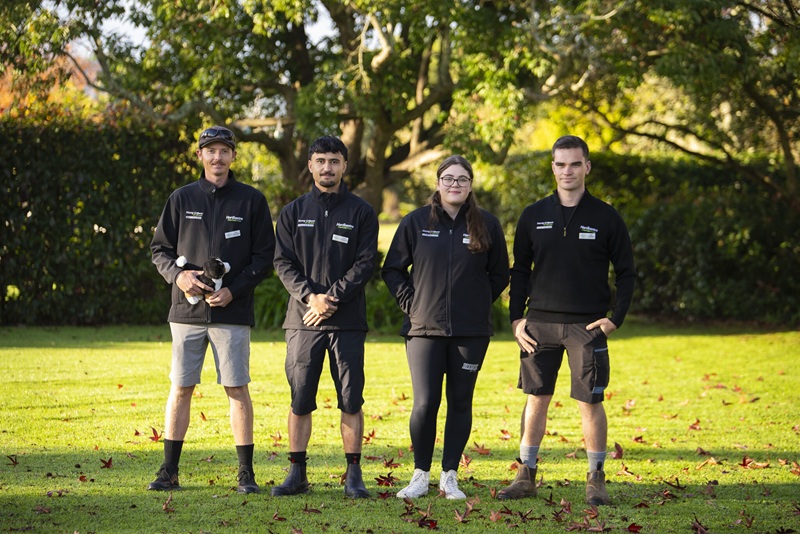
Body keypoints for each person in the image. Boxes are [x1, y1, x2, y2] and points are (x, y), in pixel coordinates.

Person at [497, 135, 635, 505]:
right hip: (538, 324)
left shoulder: (606, 216)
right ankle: (525, 474)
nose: (567, 171)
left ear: (587, 166)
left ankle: (595, 478)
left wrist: (614, 319)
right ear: (553, 167)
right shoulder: (533, 215)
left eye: (575, 163)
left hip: (585, 327)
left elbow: (627, 273)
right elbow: (520, 271)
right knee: (536, 398)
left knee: (590, 401)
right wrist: (516, 320)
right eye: (560, 164)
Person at [149, 125, 276, 494]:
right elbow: (160, 250)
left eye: (224, 151)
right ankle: (169, 471)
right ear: (200, 156)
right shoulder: (181, 198)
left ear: (233, 156)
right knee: (181, 387)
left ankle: (245, 474)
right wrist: (179, 277)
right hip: (185, 312)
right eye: (211, 151)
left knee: (237, 389)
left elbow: (264, 258)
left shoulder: (251, 200)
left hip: (231, 313)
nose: (217, 157)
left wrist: (234, 292)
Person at [382, 155, 509, 500]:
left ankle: (449, 475)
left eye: (462, 179)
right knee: (425, 403)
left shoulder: (487, 224)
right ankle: (420, 474)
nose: (455, 184)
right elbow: (392, 270)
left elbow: (500, 274)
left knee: (460, 401)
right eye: (449, 179)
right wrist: (412, 303)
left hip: (471, 332)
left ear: (470, 186)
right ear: (437, 183)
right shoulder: (415, 222)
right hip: (423, 329)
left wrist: (478, 302)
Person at [272, 135, 379, 499]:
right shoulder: (292, 212)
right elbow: (282, 262)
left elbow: (367, 262)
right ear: (310, 165)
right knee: (300, 397)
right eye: (320, 161)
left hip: (346, 321)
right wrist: (309, 297)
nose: (327, 167)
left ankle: (353, 474)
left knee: (351, 399)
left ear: (345, 165)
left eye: (334, 161)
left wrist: (331, 297)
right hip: (303, 322)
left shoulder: (362, 212)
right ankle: (296, 472)